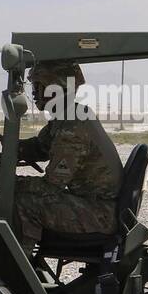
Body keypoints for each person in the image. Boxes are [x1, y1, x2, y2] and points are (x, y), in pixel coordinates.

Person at [11, 61, 122, 251]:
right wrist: (12, 149)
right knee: (20, 193)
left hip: (99, 214)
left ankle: (16, 267)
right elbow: (39, 147)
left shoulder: (72, 126)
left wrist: (9, 183)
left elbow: (51, 186)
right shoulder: (68, 117)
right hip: (95, 207)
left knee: (24, 202)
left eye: (39, 86)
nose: (34, 93)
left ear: (57, 88)